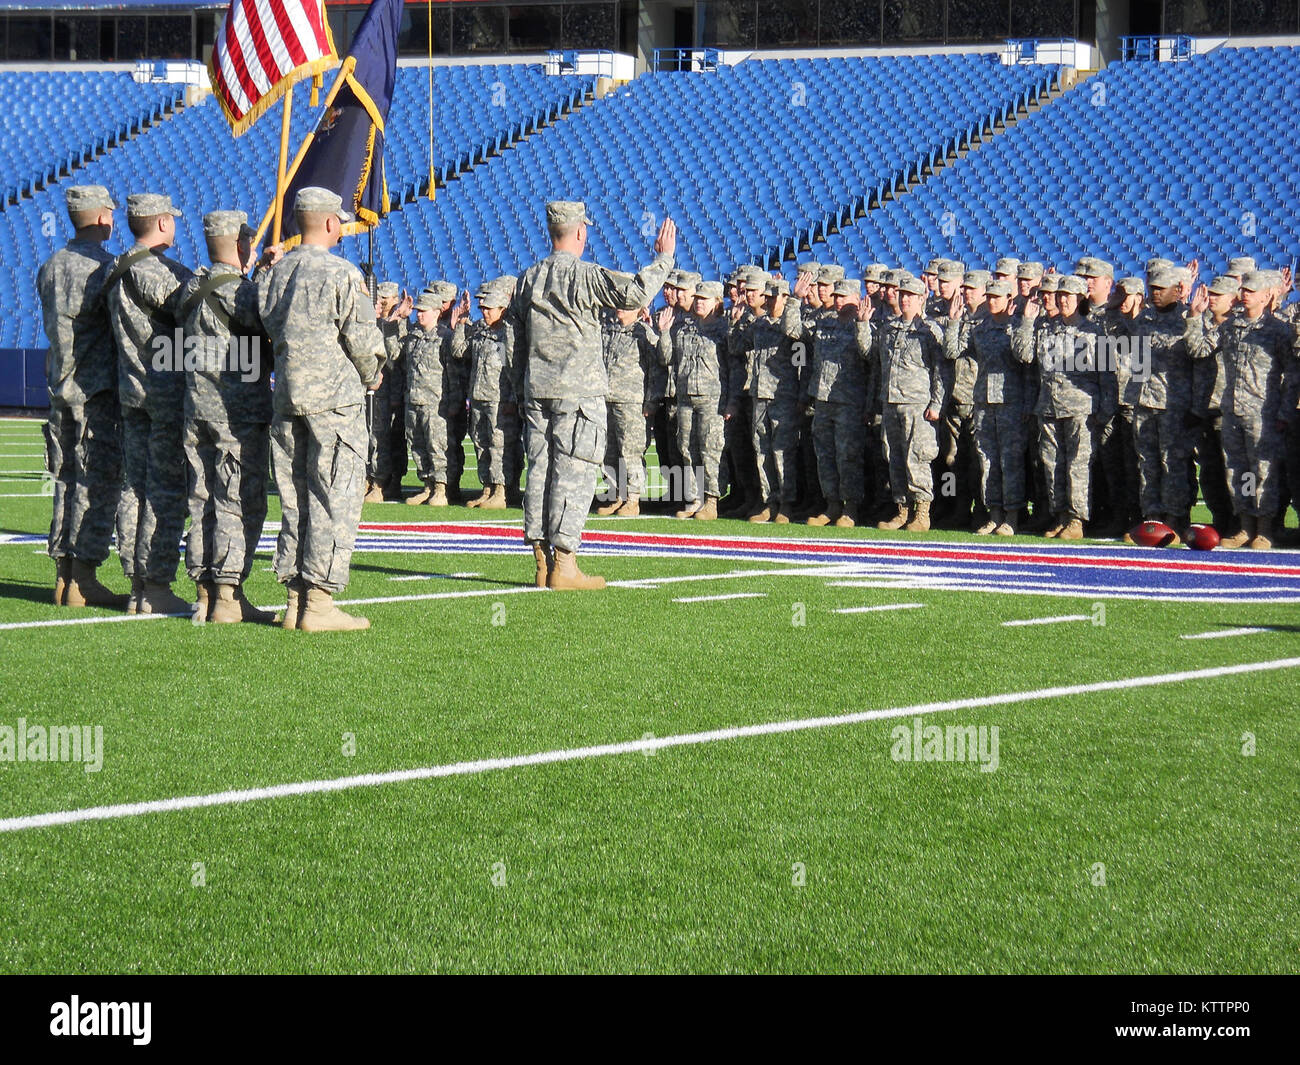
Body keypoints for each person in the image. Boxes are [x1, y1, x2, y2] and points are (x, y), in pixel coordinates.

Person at [505, 201, 675, 589]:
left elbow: (513, 341)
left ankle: (541, 563)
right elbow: (633, 295)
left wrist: (520, 387)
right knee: (574, 471)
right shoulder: (584, 275)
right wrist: (663, 259)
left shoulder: (529, 278)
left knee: (541, 472)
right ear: (580, 232)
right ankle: (565, 565)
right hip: (576, 392)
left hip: (537, 391)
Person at [257, 187, 383, 631]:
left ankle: (294, 601)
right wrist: (373, 372)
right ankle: (320, 603)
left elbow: (264, 322)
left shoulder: (274, 274)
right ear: (330, 223)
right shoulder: (341, 274)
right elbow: (363, 341)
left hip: (287, 397)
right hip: (334, 401)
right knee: (334, 496)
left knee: (295, 501)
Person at [176, 209, 276, 623]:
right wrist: (269, 274)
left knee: (202, 500)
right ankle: (228, 596)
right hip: (238, 414)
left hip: (195, 409)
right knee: (239, 502)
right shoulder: (243, 293)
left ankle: (203, 590)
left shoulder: (189, 289)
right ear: (240, 245)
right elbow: (272, 319)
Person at [36, 184, 128, 609]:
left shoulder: (51, 265)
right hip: (97, 393)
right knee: (95, 485)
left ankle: (63, 577)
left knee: (66, 484)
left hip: (60, 389)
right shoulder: (108, 269)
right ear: (104, 217)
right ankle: (83, 580)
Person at [105, 192, 194, 614]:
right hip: (163, 390)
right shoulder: (155, 271)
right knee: (163, 489)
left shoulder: (116, 267)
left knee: (134, 487)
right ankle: (154, 583)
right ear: (161, 223)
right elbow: (192, 307)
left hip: (131, 388)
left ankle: (138, 583)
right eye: (171, 220)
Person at [1200, 271, 1298, 549]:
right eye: (1243, 290)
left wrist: (1284, 412)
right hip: (1232, 411)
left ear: (1268, 296)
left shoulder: (1278, 331)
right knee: (1239, 471)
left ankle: (1265, 529)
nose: (1245, 295)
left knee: (1263, 472)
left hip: (1263, 414)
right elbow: (1201, 349)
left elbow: (1291, 376)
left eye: (1252, 291)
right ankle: (1245, 525)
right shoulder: (1230, 327)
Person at [1016, 275, 1110, 540]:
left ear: (1081, 299)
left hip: (1081, 408)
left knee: (1077, 466)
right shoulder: (1047, 328)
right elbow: (1023, 355)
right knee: (1052, 464)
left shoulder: (1093, 332)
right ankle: (1060, 516)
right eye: (1060, 295)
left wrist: (1105, 408)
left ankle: (1076, 519)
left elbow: (1107, 374)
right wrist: (1026, 322)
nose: (1063, 300)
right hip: (1049, 407)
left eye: (1069, 295)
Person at [789, 276, 873, 527]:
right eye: (835, 297)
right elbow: (793, 331)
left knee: (847, 457)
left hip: (849, 402)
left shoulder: (862, 325)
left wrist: (862, 325)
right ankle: (832, 504)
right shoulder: (825, 323)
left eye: (843, 297)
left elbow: (868, 355)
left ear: (856, 300)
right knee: (825, 456)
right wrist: (795, 300)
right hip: (823, 401)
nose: (837, 302)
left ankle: (851, 507)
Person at [873, 275, 945, 531]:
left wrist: (936, 403)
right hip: (891, 401)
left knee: (917, 457)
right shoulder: (889, 329)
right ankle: (902, 510)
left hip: (917, 404)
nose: (904, 299)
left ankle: (922, 513)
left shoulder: (929, 330)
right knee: (894, 456)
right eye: (902, 294)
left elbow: (940, 371)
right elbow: (878, 366)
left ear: (920, 298)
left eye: (910, 295)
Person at [658, 280, 730, 521]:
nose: (698, 302)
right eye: (697, 297)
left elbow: (733, 367)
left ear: (717, 303)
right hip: (686, 395)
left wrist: (732, 401)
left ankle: (711, 500)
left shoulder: (723, 329)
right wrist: (664, 332)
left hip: (713, 398)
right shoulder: (685, 327)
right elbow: (667, 358)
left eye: (704, 299)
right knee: (687, 447)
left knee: (710, 448)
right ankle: (694, 498)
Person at [451, 278, 517, 509]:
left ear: (502, 309)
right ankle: (487, 488)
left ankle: (501, 491)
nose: (485, 313)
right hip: (478, 397)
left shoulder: (507, 335)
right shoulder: (480, 331)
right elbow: (459, 351)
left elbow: (512, 369)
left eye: (489, 309)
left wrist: (512, 399)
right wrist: (461, 323)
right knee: (481, 443)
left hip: (499, 401)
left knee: (499, 446)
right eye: (483, 309)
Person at [597, 301, 658, 516]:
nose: (619, 308)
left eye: (626, 305)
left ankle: (633, 498)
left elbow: (655, 369)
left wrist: (651, 400)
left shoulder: (643, 333)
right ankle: (615, 494)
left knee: (630, 451)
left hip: (632, 402)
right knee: (607, 450)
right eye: (619, 304)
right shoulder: (609, 331)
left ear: (639, 309)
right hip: (607, 399)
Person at [402, 286, 456, 507]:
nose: (419, 314)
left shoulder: (445, 338)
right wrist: (398, 319)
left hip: (436, 403)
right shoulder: (413, 337)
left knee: (437, 445)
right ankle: (427, 485)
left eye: (424, 310)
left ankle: (441, 489)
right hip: (414, 400)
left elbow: (453, 373)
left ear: (437, 312)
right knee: (417, 444)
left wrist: (453, 401)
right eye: (418, 310)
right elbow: (395, 355)